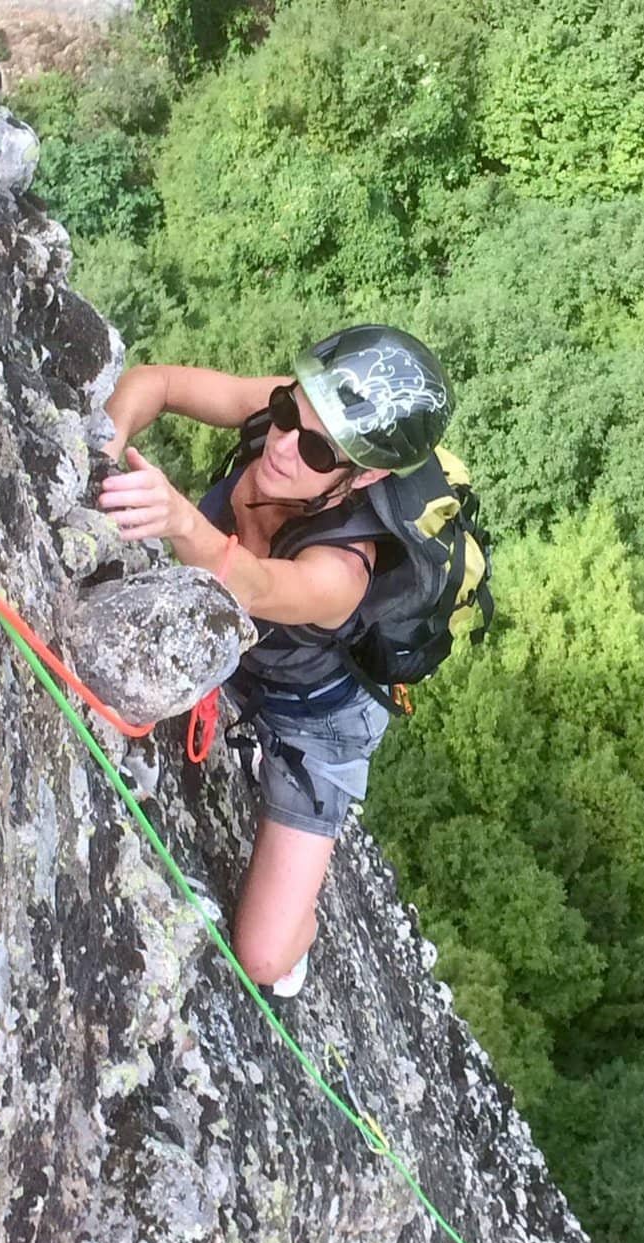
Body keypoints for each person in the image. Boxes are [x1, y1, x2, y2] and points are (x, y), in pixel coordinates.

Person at [98, 326, 453, 997]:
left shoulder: (343, 570)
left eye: (317, 449)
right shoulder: (296, 419)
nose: (285, 445)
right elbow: (156, 383)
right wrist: (102, 456)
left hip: (313, 723)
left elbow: (255, 586)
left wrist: (182, 521)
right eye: (289, 411)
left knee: (263, 961)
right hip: (245, 658)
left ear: (365, 476)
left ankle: (305, 922)